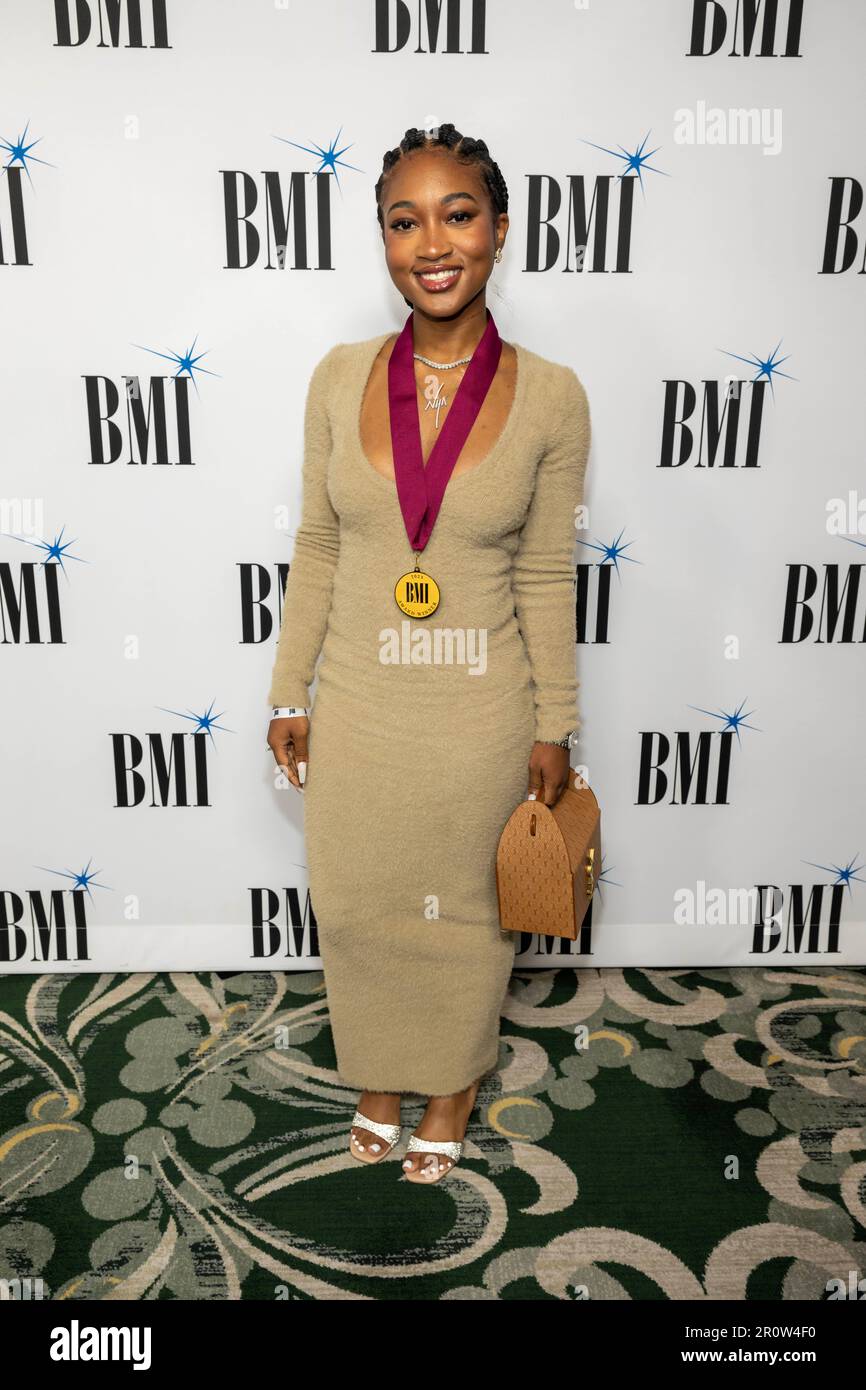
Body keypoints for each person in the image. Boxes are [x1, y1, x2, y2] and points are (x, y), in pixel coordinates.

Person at [266, 123, 591, 1185]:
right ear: (383, 241)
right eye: (403, 220)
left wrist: (554, 724)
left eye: (457, 213)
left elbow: (546, 571)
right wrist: (286, 690)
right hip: (358, 697)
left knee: (463, 909)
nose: (431, 241)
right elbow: (318, 543)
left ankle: (448, 1082)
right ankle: (377, 1073)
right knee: (357, 897)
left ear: (498, 230)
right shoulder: (336, 374)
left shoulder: (551, 394)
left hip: (478, 705)